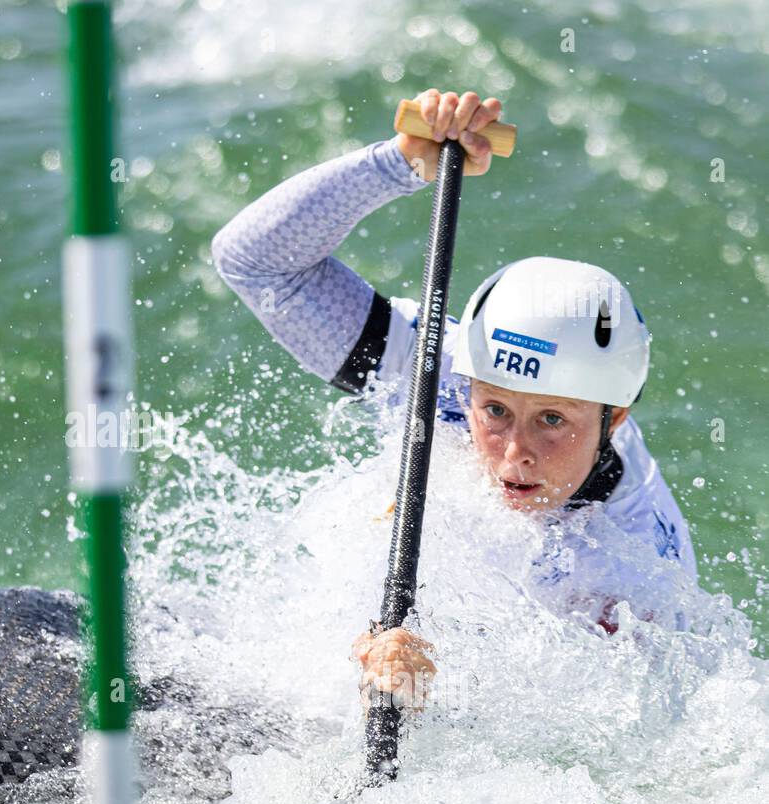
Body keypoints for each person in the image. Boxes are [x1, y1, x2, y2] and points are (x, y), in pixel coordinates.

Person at [211, 89, 696, 713]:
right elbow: (254, 263)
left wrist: (434, 681)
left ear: (615, 418)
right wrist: (400, 162)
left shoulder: (631, 568)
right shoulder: (432, 367)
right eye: (494, 411)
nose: (514, 455)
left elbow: (587, 734)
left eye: (552, 420)